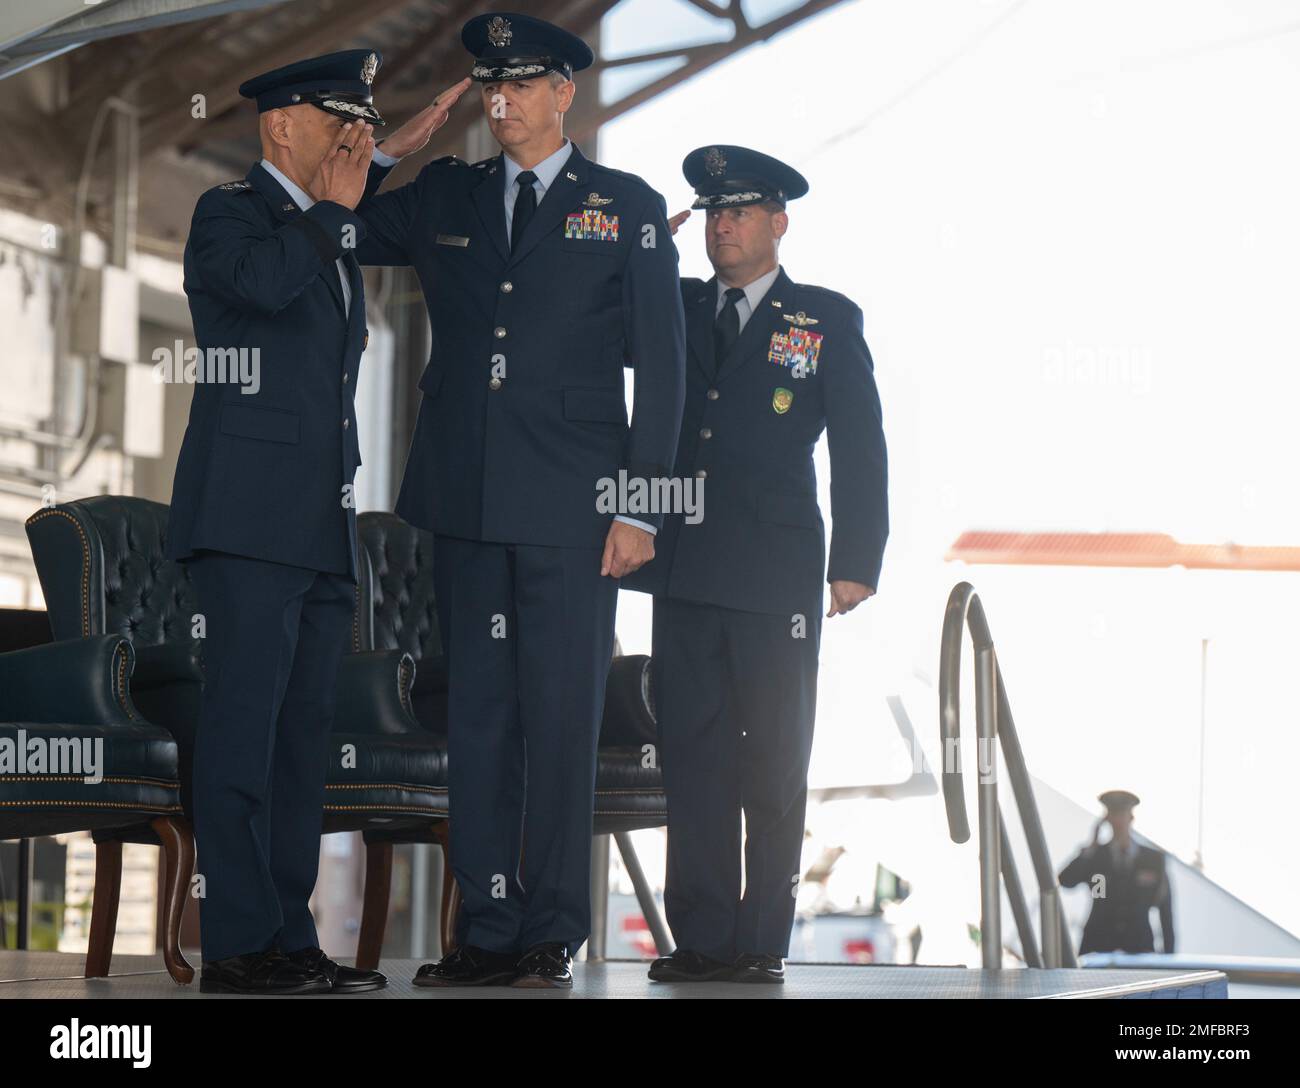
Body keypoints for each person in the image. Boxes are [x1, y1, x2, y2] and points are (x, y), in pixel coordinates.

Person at [353, 12, 686, 988]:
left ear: (562, 93)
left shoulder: (624, 205)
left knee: (560, 718)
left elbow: (662, 372)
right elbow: (334, 228)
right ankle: (486, 929)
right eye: (488, 86)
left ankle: (550, 927)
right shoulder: (443, 193)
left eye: (520, 85)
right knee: (481, 723)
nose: (499, 102)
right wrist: (381, 151)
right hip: (467, 501)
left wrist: (643, 509)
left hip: (579, 513)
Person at [166, 49, 462, 994]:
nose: (354, 142)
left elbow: (331, 238)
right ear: (279, 126)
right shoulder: (229, 214)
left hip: (322, 525)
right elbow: (259, 284)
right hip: (246, 521)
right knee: (242, 739)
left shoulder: (327, 226)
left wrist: (380, 165)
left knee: (301, 750)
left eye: (364, 127)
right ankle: (240, 947)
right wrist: (343, 200)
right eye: (340, 124)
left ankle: (289, 940)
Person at [623, 145, 889, 984]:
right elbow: (599, 326)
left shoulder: (822, 318)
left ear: (779, 222)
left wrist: (856, 560)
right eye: (711, 213)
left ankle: (760, 940)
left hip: (777, 571)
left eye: (739, 211)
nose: (723, 225)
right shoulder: (673, 303)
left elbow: (859, 443)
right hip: (687, 562)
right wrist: (640, 254)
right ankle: (699, 938)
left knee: (773, 755)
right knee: (694, 754)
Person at [1059, 790, 1175, 955]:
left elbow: (1165, 911)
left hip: (1138, 949)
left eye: (1122, 814)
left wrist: (1169, 959)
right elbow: (1065, 880)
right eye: (1113, 815)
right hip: (1098, 948)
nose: (1118, 820)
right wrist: (1089, 848)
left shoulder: (1153, 860)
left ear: (1131, 817)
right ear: (1106, 819)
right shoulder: (1095, 856)